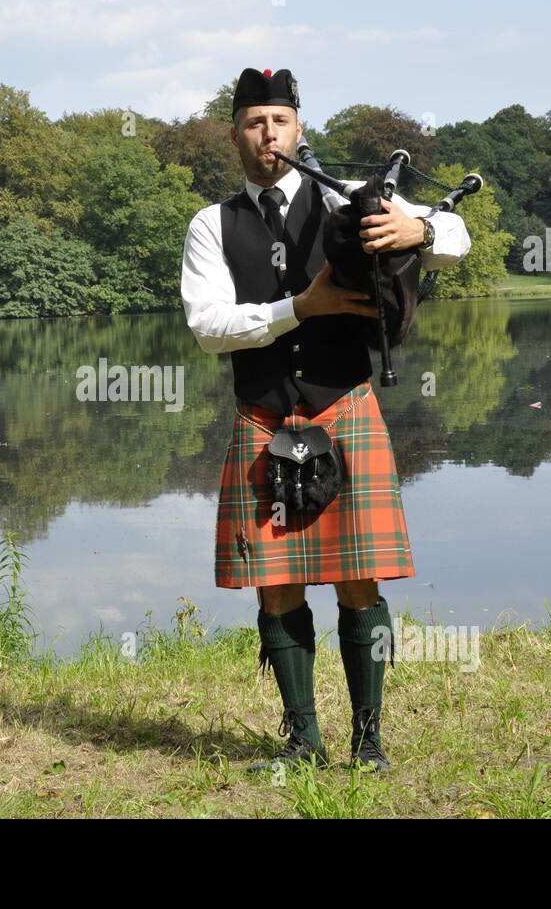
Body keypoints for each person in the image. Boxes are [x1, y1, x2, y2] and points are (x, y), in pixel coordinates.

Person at [180, 67, 470, 773]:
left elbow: (458, 234)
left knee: (357, 579)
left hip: (345, 406)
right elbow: (209, 326)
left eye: (279, 120)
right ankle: (301, 740)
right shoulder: (212, 224)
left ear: (298, 127)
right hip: (265, 417)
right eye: (254, 122)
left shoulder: (350, 198)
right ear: (235, 136)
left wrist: (419, 225)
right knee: (277, 585)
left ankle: (368, 740)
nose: (268, 134)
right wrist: (297, 309)